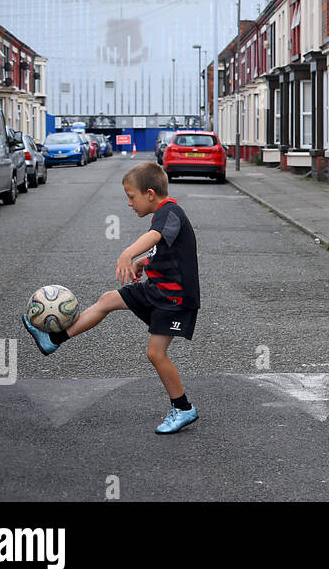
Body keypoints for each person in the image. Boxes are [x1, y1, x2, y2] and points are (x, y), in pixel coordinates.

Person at [23, 161, 201, 434]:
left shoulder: (170, 212)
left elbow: (155, 237)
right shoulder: (163, 214)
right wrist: (143, 262)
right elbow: (165, 248)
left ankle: (183, 408)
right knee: (107, 299)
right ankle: (53, 340)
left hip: (174, 301)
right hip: (157, 290)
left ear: (150, 194)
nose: (129, 204)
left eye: (132, 197)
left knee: (155, 353)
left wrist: (128, 254)